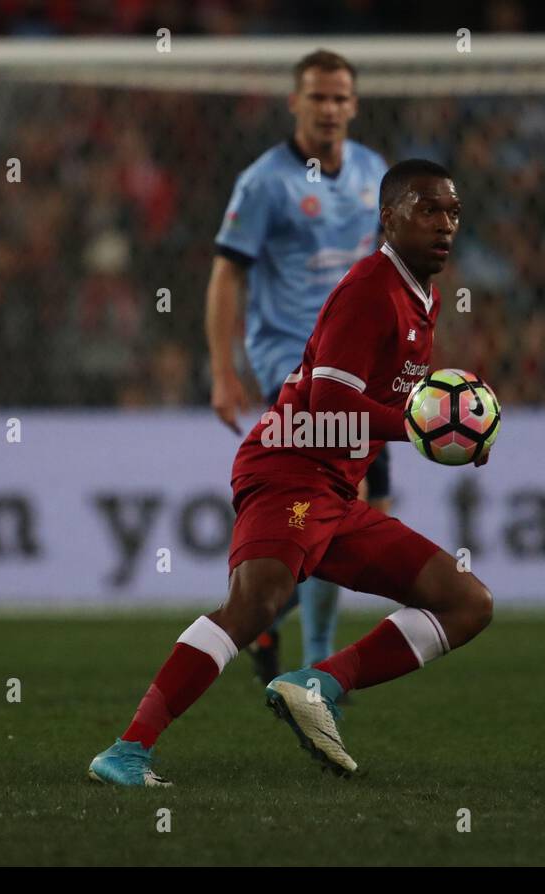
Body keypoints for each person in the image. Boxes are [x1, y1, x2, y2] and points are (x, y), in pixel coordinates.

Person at [89, 160, 492, 786]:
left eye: (453, 212)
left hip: (335, 489)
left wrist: (449, 433)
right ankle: (127, 750)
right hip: (290, 469)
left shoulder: (423, 297)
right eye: (429, 210)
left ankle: (317, 683)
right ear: (388, 218)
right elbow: (330, 404)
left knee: (466, 602)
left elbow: (388, 406)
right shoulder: (370, 291)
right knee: (256, 603)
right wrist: (417, 425)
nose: (446, 225)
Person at [206, 49, 390, 682]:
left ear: (355, 104)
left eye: (340, 98)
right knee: (345, 494)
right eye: (318, 97)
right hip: (293, 354)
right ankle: (316, 672)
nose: (330, 109)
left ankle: (265, 626)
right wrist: (223, 368)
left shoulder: (374, 172)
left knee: (369, 515)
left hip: (361, 359)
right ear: (295, 103)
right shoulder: (265, 182)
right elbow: (228, 271)